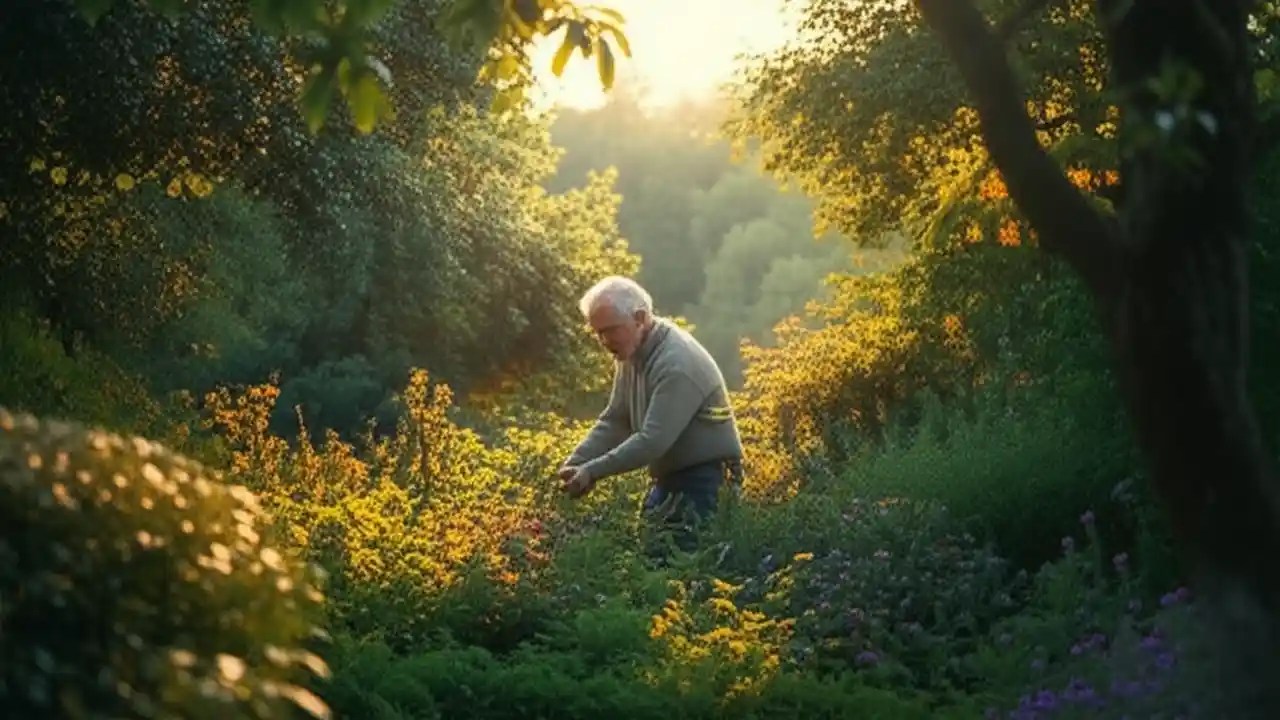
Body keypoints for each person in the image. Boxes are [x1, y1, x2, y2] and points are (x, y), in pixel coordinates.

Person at [558, 276, 744, 550]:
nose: (604, 340)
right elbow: (616, 420)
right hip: (670, 479)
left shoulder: (676, 363)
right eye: (598, 333)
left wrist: (592, 471)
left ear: (640, 318)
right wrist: (575, 464)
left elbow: (652, 441)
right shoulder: (630, 353)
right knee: (650, 566)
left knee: (685, 573)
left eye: (610, 330)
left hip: (706, 482)